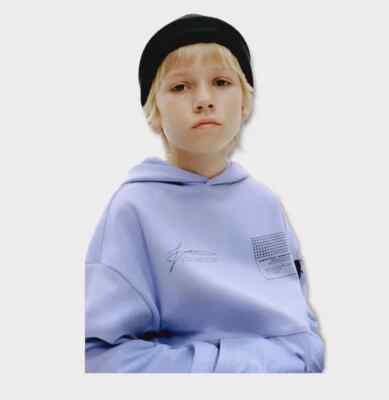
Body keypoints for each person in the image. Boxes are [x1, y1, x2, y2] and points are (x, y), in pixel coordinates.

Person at [84, 13, 326, 373]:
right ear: (154, 111)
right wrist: (234, 368)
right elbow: (98, 356)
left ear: (245, 103)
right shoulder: (133, 210)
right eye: (180, 87)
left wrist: (301, 357)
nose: (203, 99)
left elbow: (297, 323)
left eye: (221, 82)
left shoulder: (264, 204)